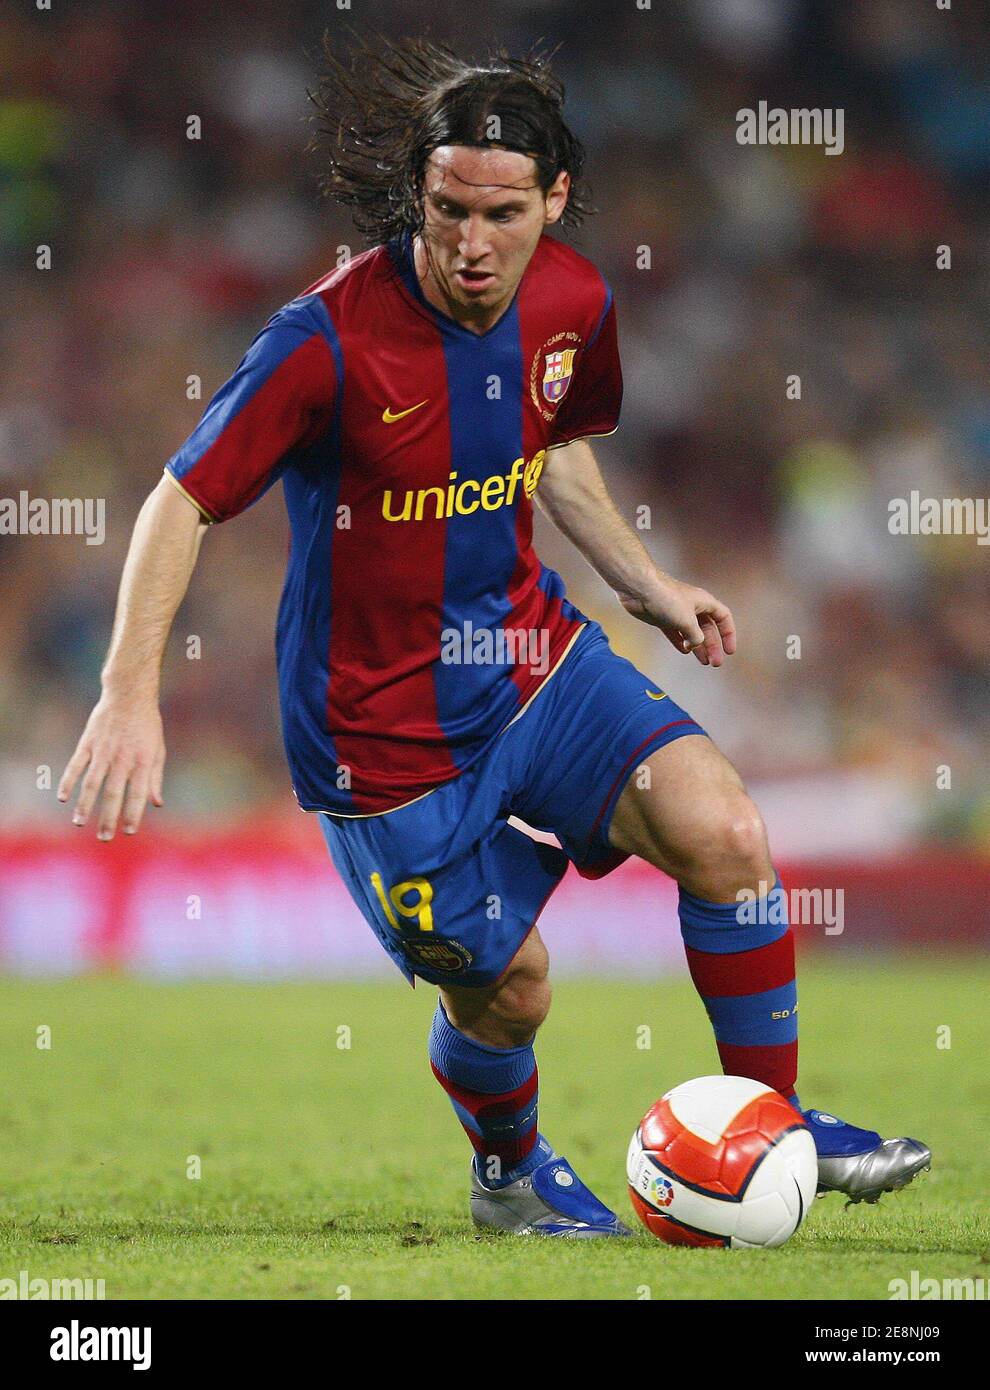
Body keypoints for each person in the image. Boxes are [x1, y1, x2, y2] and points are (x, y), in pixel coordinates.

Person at [59, 38, 930, 1238]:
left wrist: (643, 580)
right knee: (511, 991)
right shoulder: (321, 340)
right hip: (384, 737)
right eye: (448, 210)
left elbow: (553, 445)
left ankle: (772, 1120)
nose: (473, 243)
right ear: (417, 192)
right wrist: (127, 691)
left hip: (532, 663)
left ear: (554, 201)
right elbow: (181, 499)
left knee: (724, 829)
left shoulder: (574, 299)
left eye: (503, 214)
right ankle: (509, 1174)